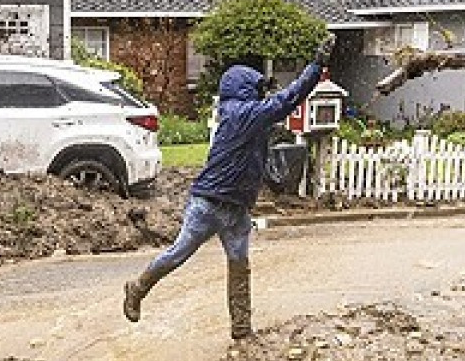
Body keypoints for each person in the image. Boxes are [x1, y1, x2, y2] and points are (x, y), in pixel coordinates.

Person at [123, 34, 336, 339]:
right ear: (245, 90)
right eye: (259, 89)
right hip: (209, 203)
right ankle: (138, 287)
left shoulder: (246, 117)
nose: (264, 94)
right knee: (179, 254)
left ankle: (241, 330)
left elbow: (263, 147)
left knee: (239, 267)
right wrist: (316, 65)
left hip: (236, 209)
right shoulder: (242, 115)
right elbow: (287, 100)